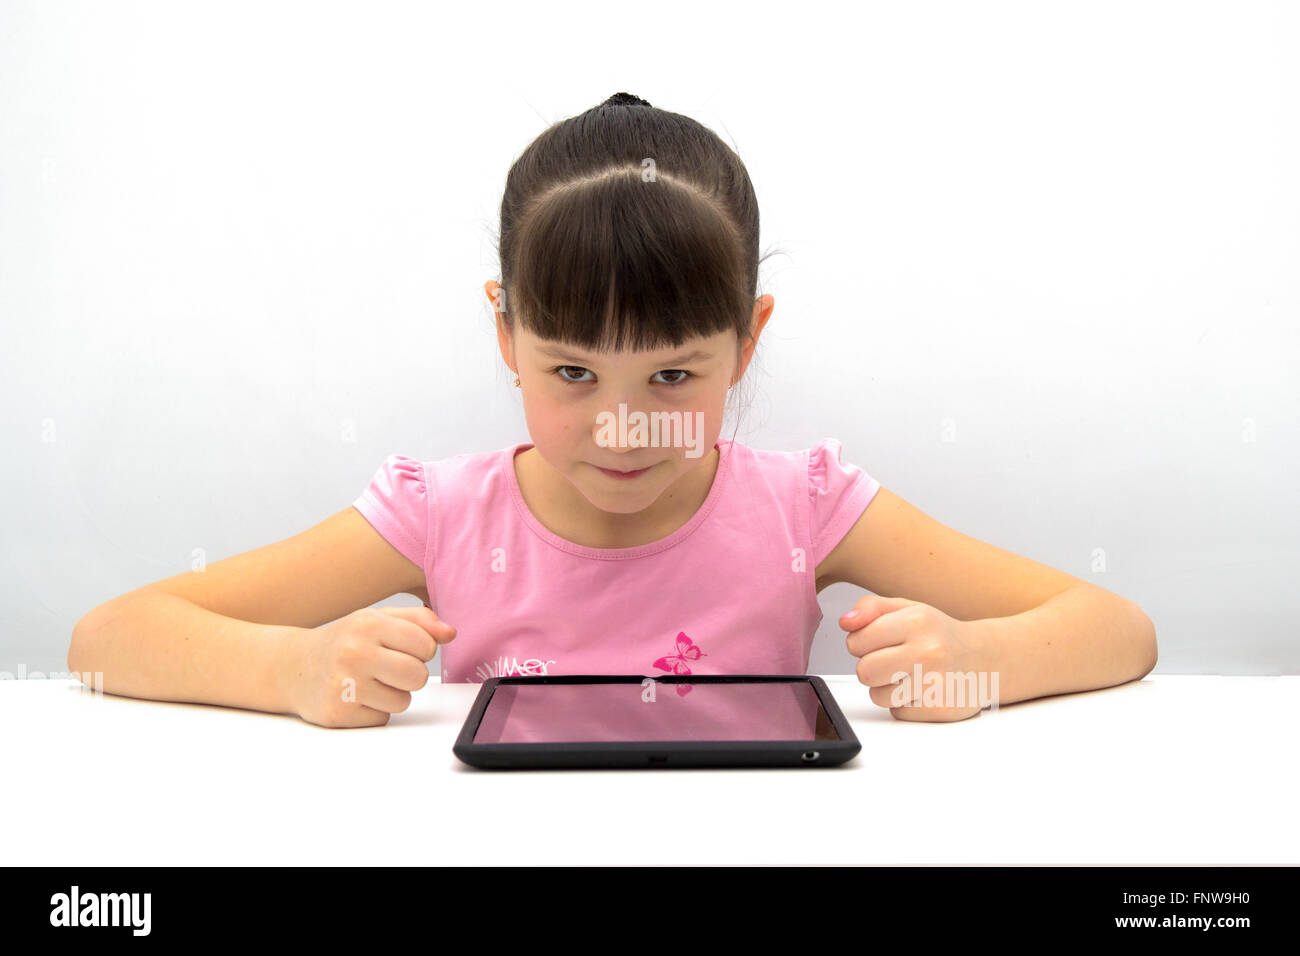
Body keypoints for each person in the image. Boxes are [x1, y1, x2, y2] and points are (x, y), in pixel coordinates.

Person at [69, 92, 1157, 729]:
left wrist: (975, 657)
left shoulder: (806, 506)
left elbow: (1119, 630)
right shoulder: (439, 514)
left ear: (748, 339)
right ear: (505, 335)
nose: (622, 427)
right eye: (573, 375)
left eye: (674, 377)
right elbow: (106, 639)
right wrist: (290, 668)